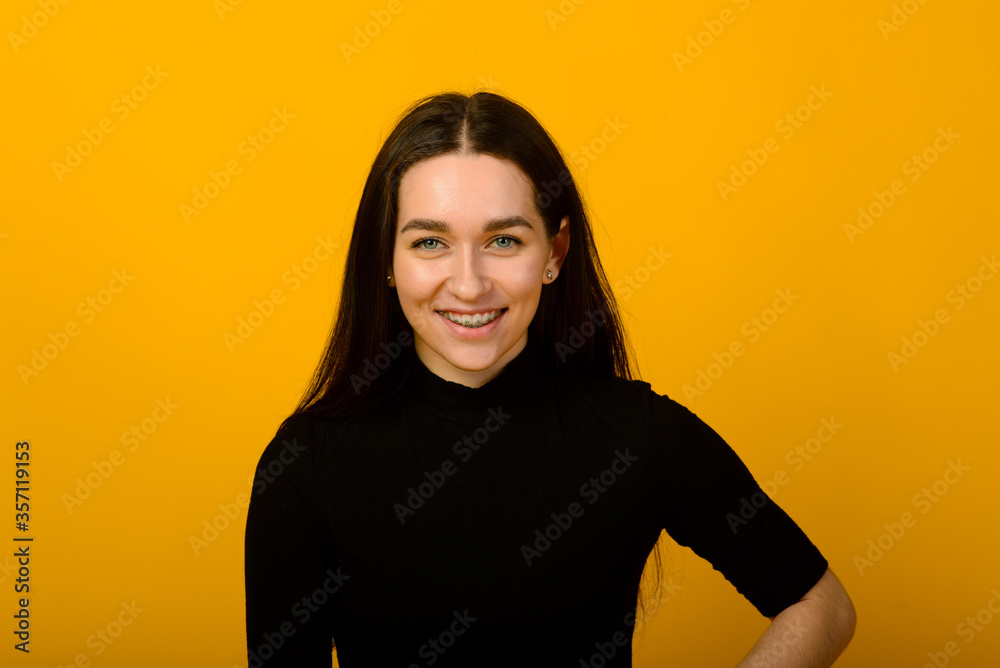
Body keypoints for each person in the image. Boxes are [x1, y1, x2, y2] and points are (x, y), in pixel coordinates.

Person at [244, 91, 856, 667]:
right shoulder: (305, 465)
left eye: (503, 240)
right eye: (430, 242)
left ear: (555, 253)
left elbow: (821, 605)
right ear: (385, 258)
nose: (468, 283)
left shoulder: (639, 436)